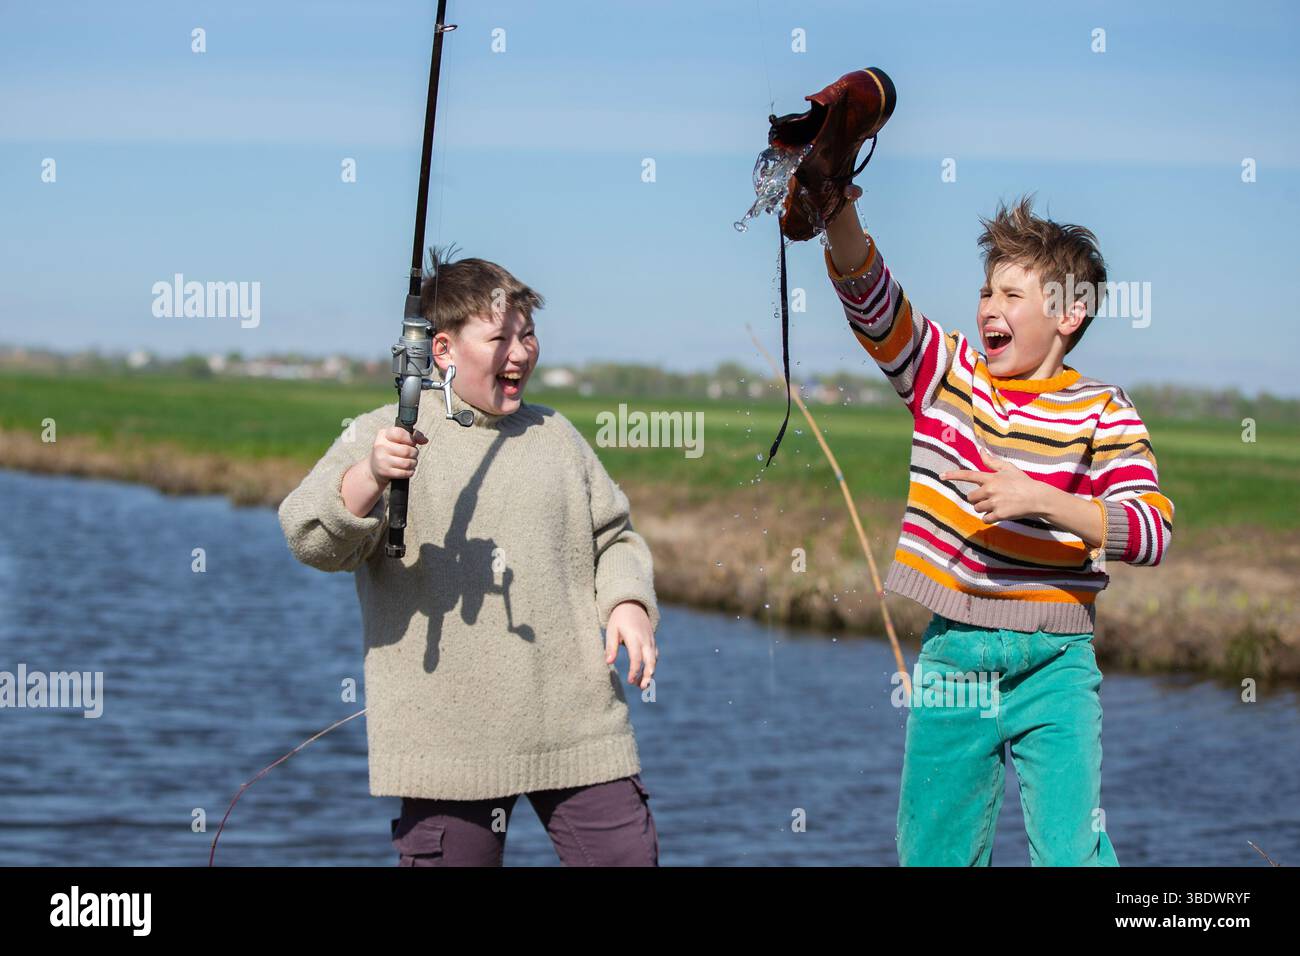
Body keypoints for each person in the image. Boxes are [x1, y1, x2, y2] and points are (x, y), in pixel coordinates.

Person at [816, 182, 1175, 865]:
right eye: (987, 292)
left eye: (1013, 295)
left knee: (1073, 855)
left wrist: (1037, 498)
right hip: (955, 657)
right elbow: (872, 299)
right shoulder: (945, 376)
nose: (990, 308)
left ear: (1070, 314)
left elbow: (1151, 529)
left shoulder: (1106, 410)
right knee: (933, 851)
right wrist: (836, 205)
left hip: (1056, 664)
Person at [277, 250, 660, 866]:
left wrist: (628, 604)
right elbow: (311, 539)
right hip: (448, 743)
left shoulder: (556, 436)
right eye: (500, 337)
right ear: (444, 350)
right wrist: (371, 476)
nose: (521, 352)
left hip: (579, 725)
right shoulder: (386, 432)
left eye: (528, 334)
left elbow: (614, 538)